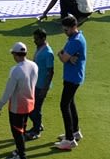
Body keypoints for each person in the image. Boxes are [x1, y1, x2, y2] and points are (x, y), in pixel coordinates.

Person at [0, 42, 37, 159]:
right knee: (22, 129)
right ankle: (19, 150)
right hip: (30, 103)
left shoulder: (15, 70)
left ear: (15, 54)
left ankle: (22, 157)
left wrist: (0, 104)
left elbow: (9, 90)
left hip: (17, 106)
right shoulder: (34, 65)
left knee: (17, 131)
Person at [53, 15, 85, 151]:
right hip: (75, 77)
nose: (65, 32)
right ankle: (75, 132)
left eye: (66, 30)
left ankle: (69, 139)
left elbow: (63, 57)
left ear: (73, 27)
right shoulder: (78, 37)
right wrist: (66, 56)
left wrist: (63, 55)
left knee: (64, 105)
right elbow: (66, 57)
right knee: (70, 103)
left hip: (72, 78)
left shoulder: (74, 42)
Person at [28, 27, 56, 140]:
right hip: (35, 83)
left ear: (43, 38)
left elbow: (51, 71)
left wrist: (45, 88)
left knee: (35, 108)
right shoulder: (40, 48)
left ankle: (37, 130)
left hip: (41, 85)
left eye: (37, 39)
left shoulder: (48, 53)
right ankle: (37, 125)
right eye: (34, 39)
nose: (35, 41)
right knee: (32, 107)